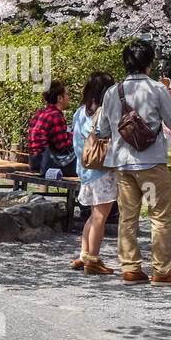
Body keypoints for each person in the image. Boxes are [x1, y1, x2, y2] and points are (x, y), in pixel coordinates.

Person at [94, 39, 171, 285]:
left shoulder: (113, 92)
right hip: (152, 164)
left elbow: (102, 130)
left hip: (123, 166)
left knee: (128, 217)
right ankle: (162, 271)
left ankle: (131, 268)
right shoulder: (157, 89)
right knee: (159, 217)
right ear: (150, 63)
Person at [70, 72, 117, 276]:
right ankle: (94, 260)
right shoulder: (104, 113)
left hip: (85, 171)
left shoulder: (80, 112)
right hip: (102, 172)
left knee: (92, 216)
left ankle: (84, 255)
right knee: (100, 217)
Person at [27, 81, 76, 175]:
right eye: (67, 94)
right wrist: (76, 134)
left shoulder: (41, 112)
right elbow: (62, 145)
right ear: (60, 98)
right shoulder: (56, 116)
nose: (69, 97)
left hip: (34, 161)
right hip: (46, 162)